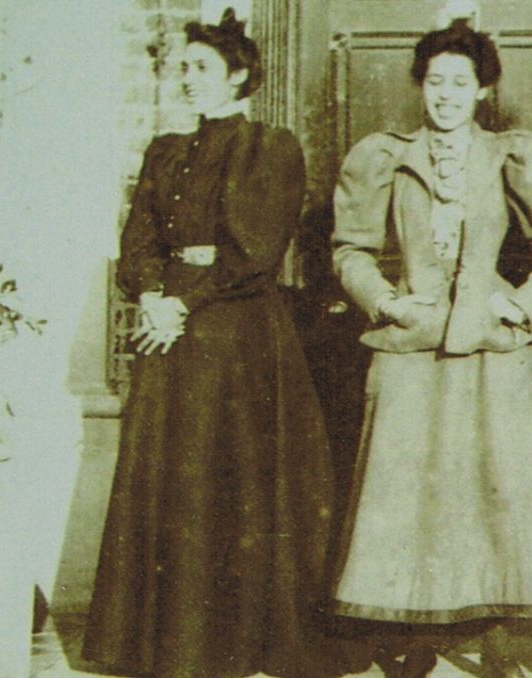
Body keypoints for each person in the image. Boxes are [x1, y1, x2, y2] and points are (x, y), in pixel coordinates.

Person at [82, 11, 366, 677]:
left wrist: (181, 300)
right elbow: (137, 243)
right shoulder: (164, 153)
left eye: (200, 69)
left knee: (226, 482)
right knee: (169, 481)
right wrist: (151, 296)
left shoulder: (269, 147)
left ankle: (230, 643)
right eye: (181, 68)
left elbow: (255, 249)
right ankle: (169, 646)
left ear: (239, 76)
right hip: (167, 338)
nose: (186, 80)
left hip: (236, 334)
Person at [329, 18, 532, 678]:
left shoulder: (511, 154)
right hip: (410, 350)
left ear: (482, 89)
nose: (444, 94)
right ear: (421, 86)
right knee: (408, 496)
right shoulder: (384, 154)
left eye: (459, 82)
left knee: (493, 494)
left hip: (491, 352)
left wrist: (520, 304)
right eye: (434, 81)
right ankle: (410, 640)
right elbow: (349, 248)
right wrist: (385, 300)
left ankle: (491, 638)